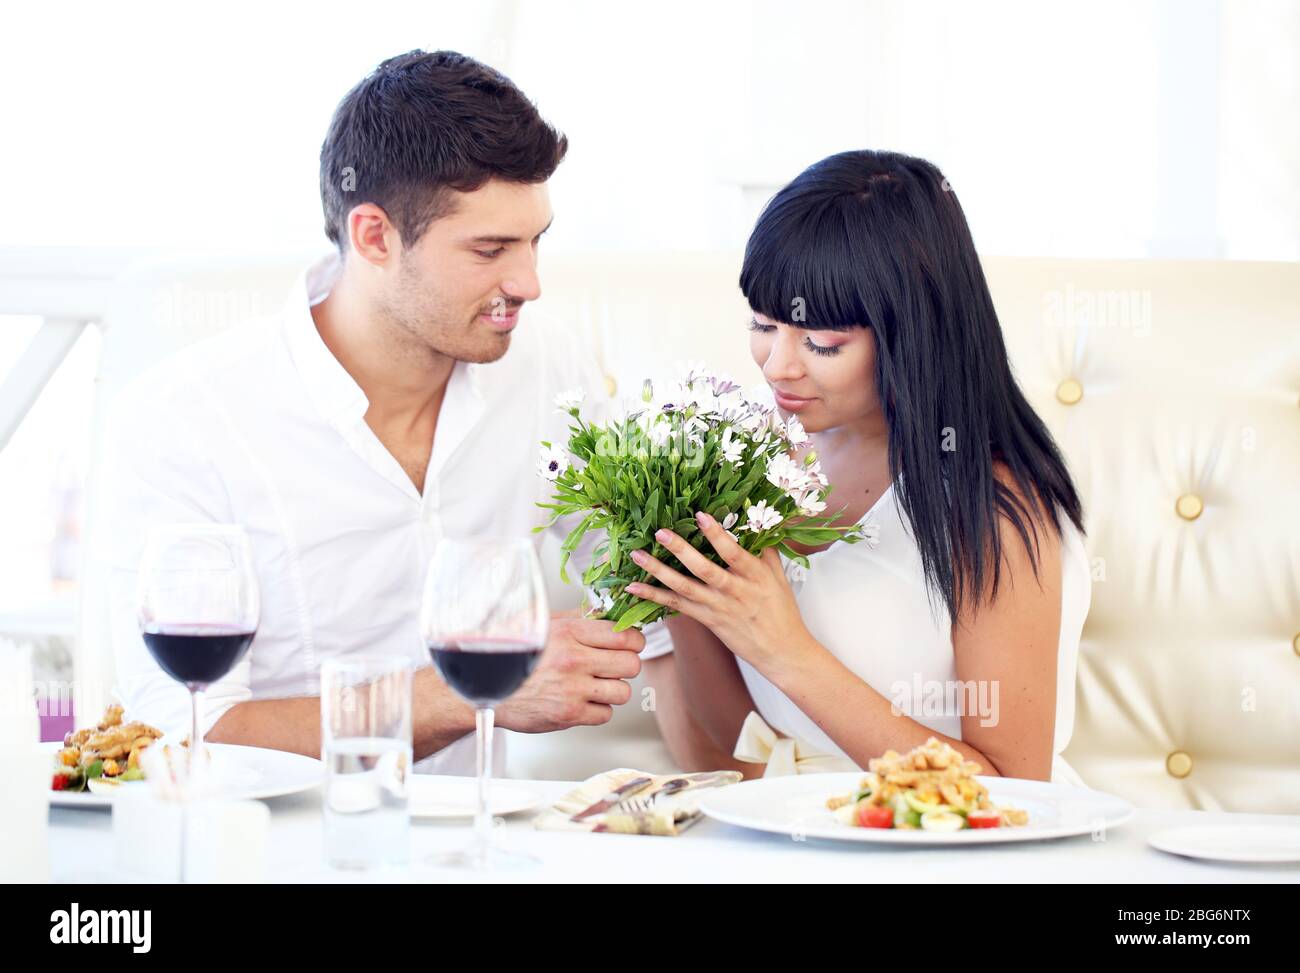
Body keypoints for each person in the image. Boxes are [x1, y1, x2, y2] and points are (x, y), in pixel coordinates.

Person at [87, 50, 667, 775]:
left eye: (534, 240)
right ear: (373, 236)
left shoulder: (547, 366)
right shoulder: (183, 421)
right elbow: (181, 731)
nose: (528, 282)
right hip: (275, 852)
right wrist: (467, 691)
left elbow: (646, 579)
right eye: (489, 249)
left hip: (484, 845)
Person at [638, 150, 1091, 784]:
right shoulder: (754, 462)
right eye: (763, 325)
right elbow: (739, 742)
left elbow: (1012, 792)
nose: (777, 366)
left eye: (822, 344)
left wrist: (788, 651)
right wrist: (680, 586)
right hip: (791, 829)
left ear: (912, 333)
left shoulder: (992, 503)